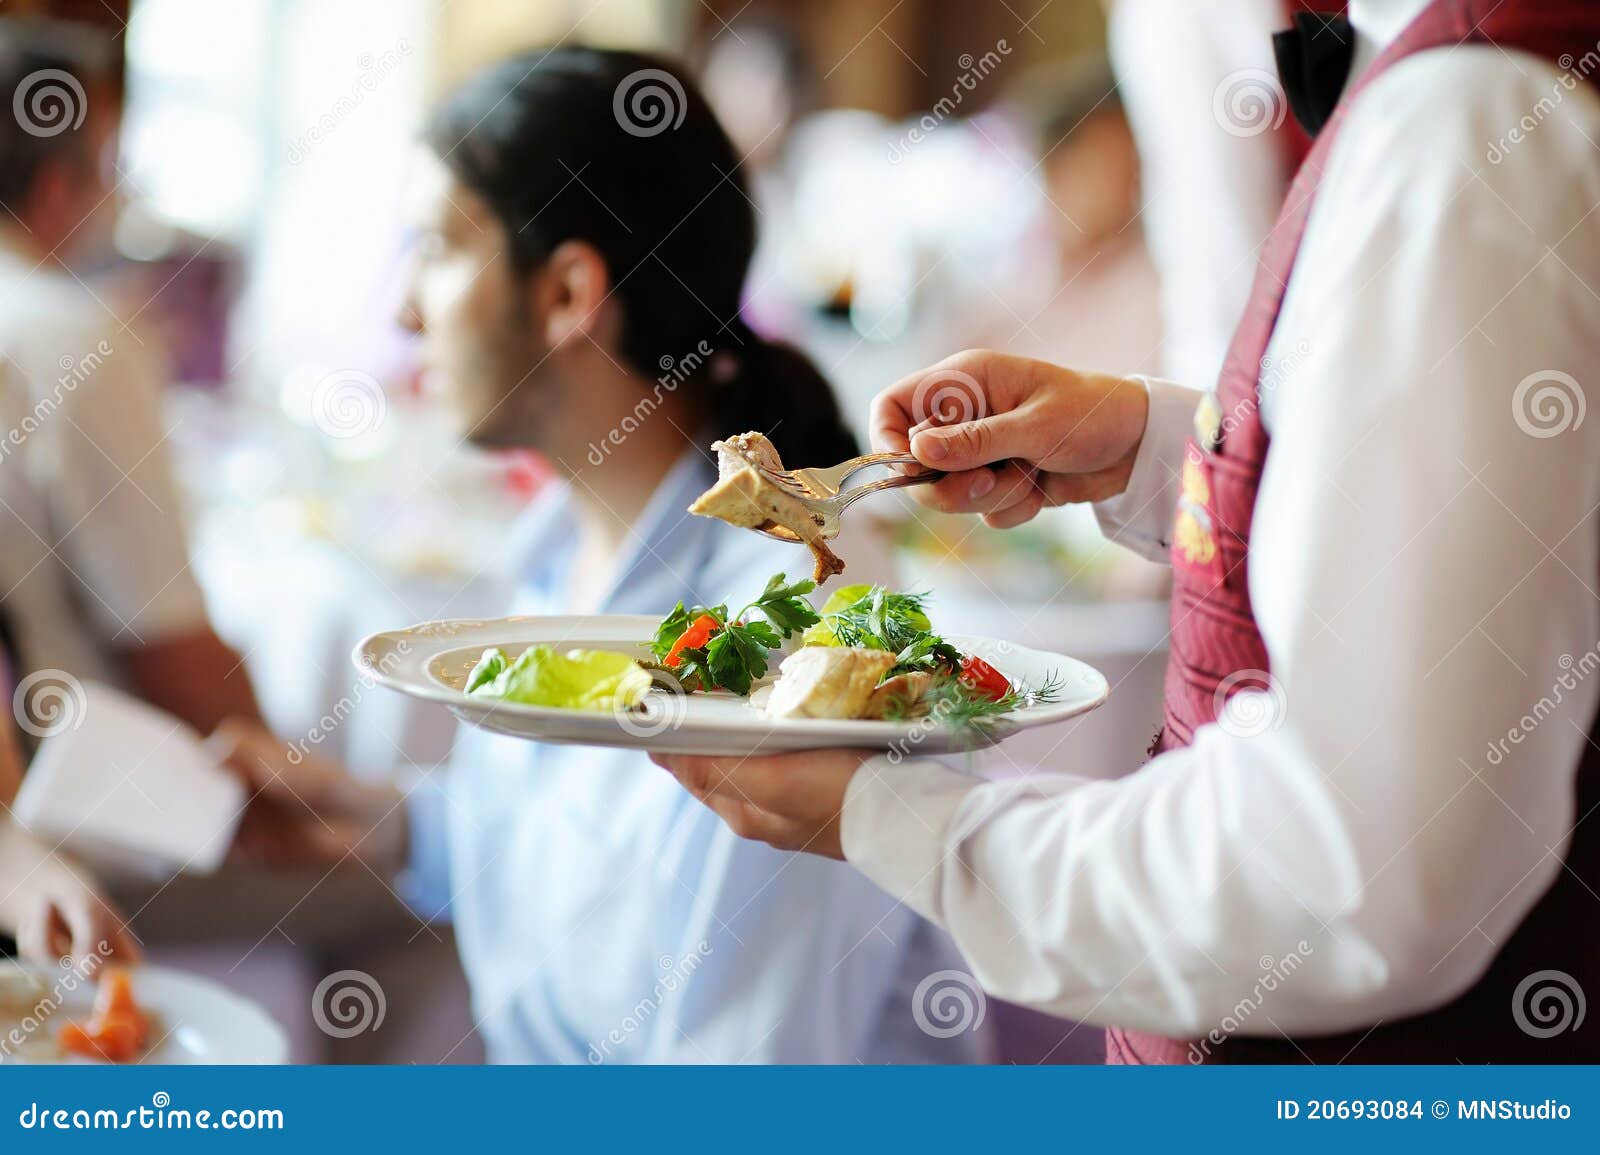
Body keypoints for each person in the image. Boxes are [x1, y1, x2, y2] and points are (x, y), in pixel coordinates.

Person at [654, 0, 1600, 1063]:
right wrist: (1161, 447)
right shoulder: (1449, 91)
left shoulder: (1464, 129)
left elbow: (1351, 874)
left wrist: (888, 817)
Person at [215, 48, 987, 1064]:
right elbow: (603, 869)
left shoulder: (792, 641)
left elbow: (754, 1079)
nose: (405, 311)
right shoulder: (555, 559)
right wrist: (398, 827)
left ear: (570, 291)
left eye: (440, 248)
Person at [0, 23, 255, 971]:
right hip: (98, 808)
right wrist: (279, 766)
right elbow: (171, 652)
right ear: (61, 183)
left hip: (37, 818)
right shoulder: (74, 336)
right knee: (425, 895)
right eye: (107, 163)